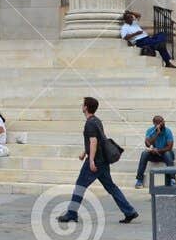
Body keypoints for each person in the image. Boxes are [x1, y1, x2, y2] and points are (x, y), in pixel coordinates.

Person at [56, 96, 139, 225]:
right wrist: (84, 152)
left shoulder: (90, 123)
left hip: (96, 161)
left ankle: (71, 213)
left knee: (80, 185)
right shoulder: (97, 121)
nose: (81, 106)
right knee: (111, 187)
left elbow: (94, 142)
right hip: (103, 160)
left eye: (83, 104)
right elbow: (97, 140)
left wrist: (91, 161)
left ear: (86, 107)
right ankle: (129, 211)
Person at [134, 115, 176, 188]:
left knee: (167, 154)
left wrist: (158, 150)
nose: (163, 123)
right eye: (160, 122)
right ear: (155, 124)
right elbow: (147, 144)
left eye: (163, 121)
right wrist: (157, 134)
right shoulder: (150, 130)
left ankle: (172, 179)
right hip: (154, 155)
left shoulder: (168, 131)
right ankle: (139, 180)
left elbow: (169, 147)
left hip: (165, 154)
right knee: (144, 153)